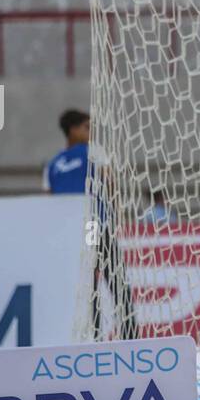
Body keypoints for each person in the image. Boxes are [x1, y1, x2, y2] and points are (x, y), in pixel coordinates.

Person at [44, 110, 138, 339]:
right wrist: (115, 218)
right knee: (115, 283)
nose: (90, 132)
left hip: (72, 233)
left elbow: (47, 201)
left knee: (88, 286)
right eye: (86, 127)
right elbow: (111, 185)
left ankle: (93, 339)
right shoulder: (93, 152)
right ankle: (130, 337)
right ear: (72, 130)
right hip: (95, 226)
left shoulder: (52, 165)